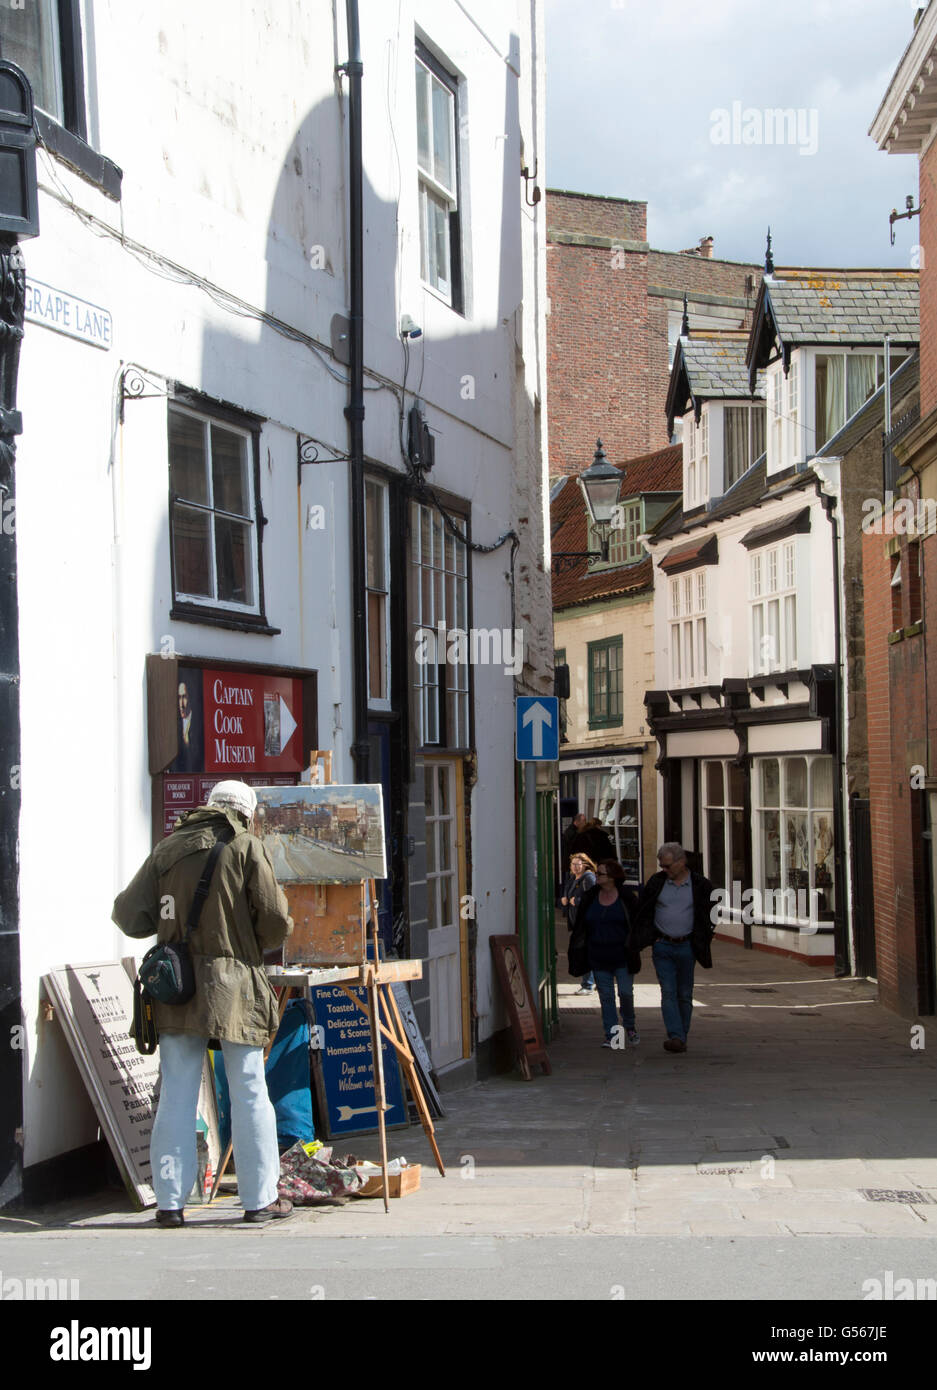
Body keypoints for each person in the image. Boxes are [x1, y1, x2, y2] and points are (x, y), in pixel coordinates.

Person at [112, 780, 294, 1226]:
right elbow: (274, 924)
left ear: (208, 806)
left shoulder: (168, 847)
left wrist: (171, 923)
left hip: (177, 986)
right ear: (246, 813)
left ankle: (170, 1204)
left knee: (176, 1092)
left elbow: (128, 916)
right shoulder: (247, 846)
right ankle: (260, 1199)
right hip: (233, 987)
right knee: (249, 1088)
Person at [631, 841, 716, 1054]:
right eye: (662, 866)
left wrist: (704, 937)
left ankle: (681, 1036)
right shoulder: (656, 883)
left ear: (681, 862)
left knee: (685, 993)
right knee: (668, 992)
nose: (664, 870)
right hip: (662, 946)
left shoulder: (700, 885)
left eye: (668, 866)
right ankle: (676, 1036)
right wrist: (648, 938)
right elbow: (644, 910)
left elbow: (709, 914)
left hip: (687, 946)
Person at [577, 860, 640, 1048]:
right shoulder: (591, 897)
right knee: (606, 996)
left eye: (601, 874)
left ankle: (629, 1025)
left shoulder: (626, 897)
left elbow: (637, 922)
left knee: (625, 993)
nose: (597, 876)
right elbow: (581, 921)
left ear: (612, 877)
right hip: (598, 954)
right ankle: (613, 1035)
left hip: (622, 955)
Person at [561, 852, 597, 993]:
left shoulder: (588, 878)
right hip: (576, 922)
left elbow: (593, 898)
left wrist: (577, 901)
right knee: (582, 952)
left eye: (578, 864)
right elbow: (567, 895)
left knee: (585, 952)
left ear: (585, 864)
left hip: (587, 923)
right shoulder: (572, 878)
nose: (575, 867)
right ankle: (592, 982)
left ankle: (588, 984)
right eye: (573, 864)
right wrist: (563, 900)